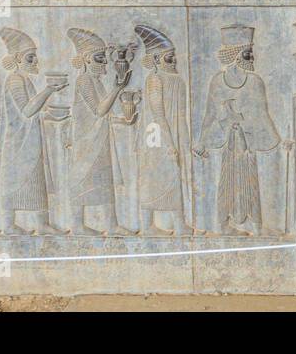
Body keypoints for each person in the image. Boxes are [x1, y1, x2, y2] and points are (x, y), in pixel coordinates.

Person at [196, 25, 282, 235]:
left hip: (247, 143)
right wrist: (202, 140)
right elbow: (210, 114)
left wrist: (277, 141)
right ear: (235, 55)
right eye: (247, 53)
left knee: (250, 182)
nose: (252, 57)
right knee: (226, 182)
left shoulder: (255, 82)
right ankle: (224, 225)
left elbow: (262, 114)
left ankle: (256, 226)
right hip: (228, 143)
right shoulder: (217, 82)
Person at [68, 27, 136, 235]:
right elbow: (99, 110)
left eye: (105, 58)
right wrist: (117, 87)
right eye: (100, 58)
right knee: (82, 182)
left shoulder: (95, 81)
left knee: (104, 181)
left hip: (99, 138)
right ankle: (78, 226)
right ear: (87, 60)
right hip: (86, 140)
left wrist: (124, 120)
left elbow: (104, 113)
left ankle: (111, 225)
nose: (105, 63)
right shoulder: (84, 80)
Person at [0, 27, 65, 234]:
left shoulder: (23, 79)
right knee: (16, 182)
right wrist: (49, 90)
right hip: (18, 142)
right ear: (17, 59)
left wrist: (52, 116)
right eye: (30, 58)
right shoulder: (15, 80)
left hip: (29, 140)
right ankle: (9, 226)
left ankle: (41, 224)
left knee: (35, 180)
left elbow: (33, 112)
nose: (35, 62)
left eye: (35, 58)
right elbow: (27, 110)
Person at [135, 24, 193, 236]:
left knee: (173, 176)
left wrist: (184, 142)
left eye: (174, 56)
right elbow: (158, 113)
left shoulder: (177, 80)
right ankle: (148, 225)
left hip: (170, 135)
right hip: (155, 136)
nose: (174, 60)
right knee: (155, 178)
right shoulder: (155, 79)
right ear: (158, 60)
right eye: (170, 57)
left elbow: (180, 116)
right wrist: (169, 143)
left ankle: (179, 225)